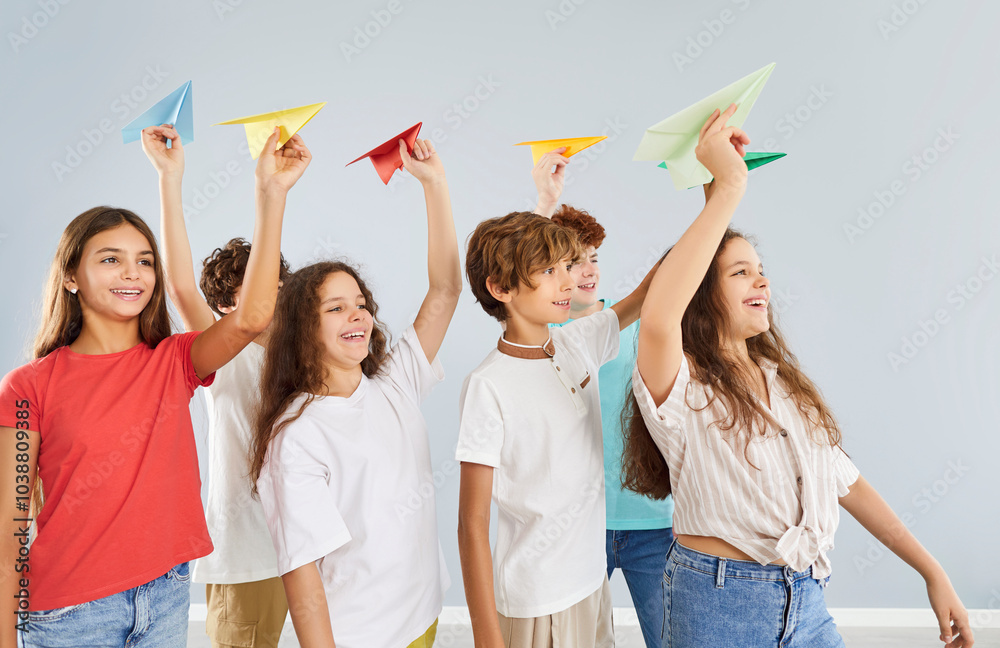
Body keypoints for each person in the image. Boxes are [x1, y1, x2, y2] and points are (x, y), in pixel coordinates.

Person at [621, 104, 974, 647]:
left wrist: (931, 570)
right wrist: (728, 188)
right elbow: (662, 316)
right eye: (740, 272)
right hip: (716, 605)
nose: (760, 281)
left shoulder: (782, 383)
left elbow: (848, 485)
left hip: (806, 601)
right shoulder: (682, 387)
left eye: (761, 271)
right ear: (701, 293)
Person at [0, 126, 310, 647]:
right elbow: (11, 527)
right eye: (110, 259)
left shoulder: (175, 361)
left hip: (165, 599)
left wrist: (270, 193)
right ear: (71, 276)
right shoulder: (27, 387)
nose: (133, 273)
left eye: (144, 260)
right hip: (69, 616)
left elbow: (253, 316)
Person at [250, 139, 461, 648]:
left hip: (423, 618)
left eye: (361, 303)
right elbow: (302, 581)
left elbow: (446, 291)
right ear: (303, 328)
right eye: (336, 308)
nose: (358, 315)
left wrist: (434, 185)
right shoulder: (296, 435)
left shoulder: (393, 383)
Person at [456, 205, 656, 648]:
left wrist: (716, 193)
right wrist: (487, 637)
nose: (568, 281)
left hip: (589, 585)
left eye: (566, 266)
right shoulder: (487, 386)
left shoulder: (575, 342)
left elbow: (647, 292)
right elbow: (472, 523)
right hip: (536, 601)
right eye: (548, 270)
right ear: (500, 287)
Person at [141, 124, 293, 648]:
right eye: (256, 291)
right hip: (247, 554)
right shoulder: (223, 355)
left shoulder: (307, 360)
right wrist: (169, 178)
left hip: (308, 550)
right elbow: (182, 284)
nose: (271, 300)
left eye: (277, 286)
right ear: (226, 308)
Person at [533, 148, 674, 648]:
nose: (587, 271)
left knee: (671, 639)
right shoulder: (542, 334)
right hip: (576, 525)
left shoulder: (633, 323)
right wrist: (546, 203)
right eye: (570, 262)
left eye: (593, 257)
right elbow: (521, 268)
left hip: (652, 521)